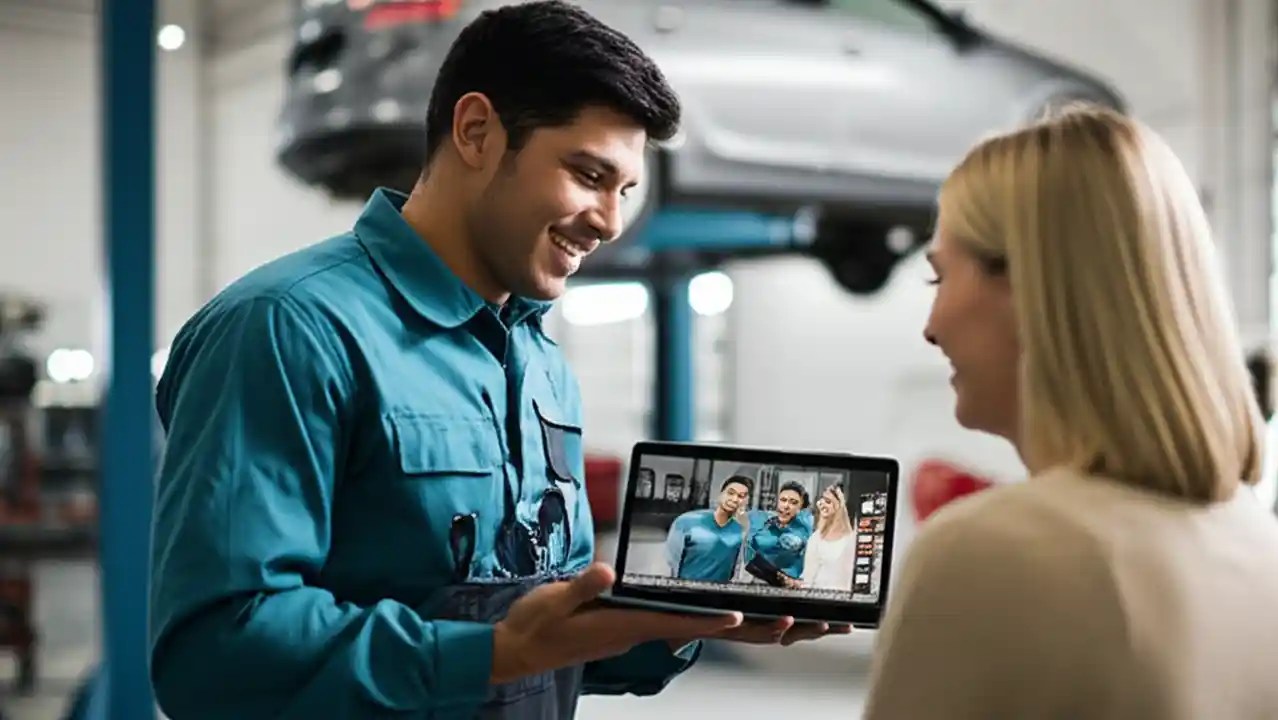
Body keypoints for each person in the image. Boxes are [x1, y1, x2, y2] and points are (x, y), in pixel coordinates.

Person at [147, 3, 842, 719]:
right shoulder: (288, 328)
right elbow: (213, 656)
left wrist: (678, 625)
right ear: (476, 131)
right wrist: (492, 653)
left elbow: (548, 640)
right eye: (588, 174)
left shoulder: (541, 365)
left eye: (625, 191)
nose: (610, 222)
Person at [862, 105, 1278, 719]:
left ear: (1030, 287)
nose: (932, 327)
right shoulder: (1262, 552)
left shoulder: (991, 554)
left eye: (940, 279)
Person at [664, 476, 752, 582]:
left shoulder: (740, 532)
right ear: (721, 494)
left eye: (741, 496)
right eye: (730, 493)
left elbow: (739, 571)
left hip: (719, 595)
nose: (734, 499)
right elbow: (669, 563)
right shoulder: (686, 522)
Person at [742, 482, 813, 588]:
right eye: (783, 500)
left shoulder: (805, 529)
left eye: (793, 503)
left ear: (800, 508)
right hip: (755, 583)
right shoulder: (763, 522)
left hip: (789, 588)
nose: (786, 506)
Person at [799, 486, 855, 591]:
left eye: (828, 501)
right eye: (822, 500)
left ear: (838, 507)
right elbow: (808, 576)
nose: (823, 504)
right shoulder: (815, 539)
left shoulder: (851, 540)